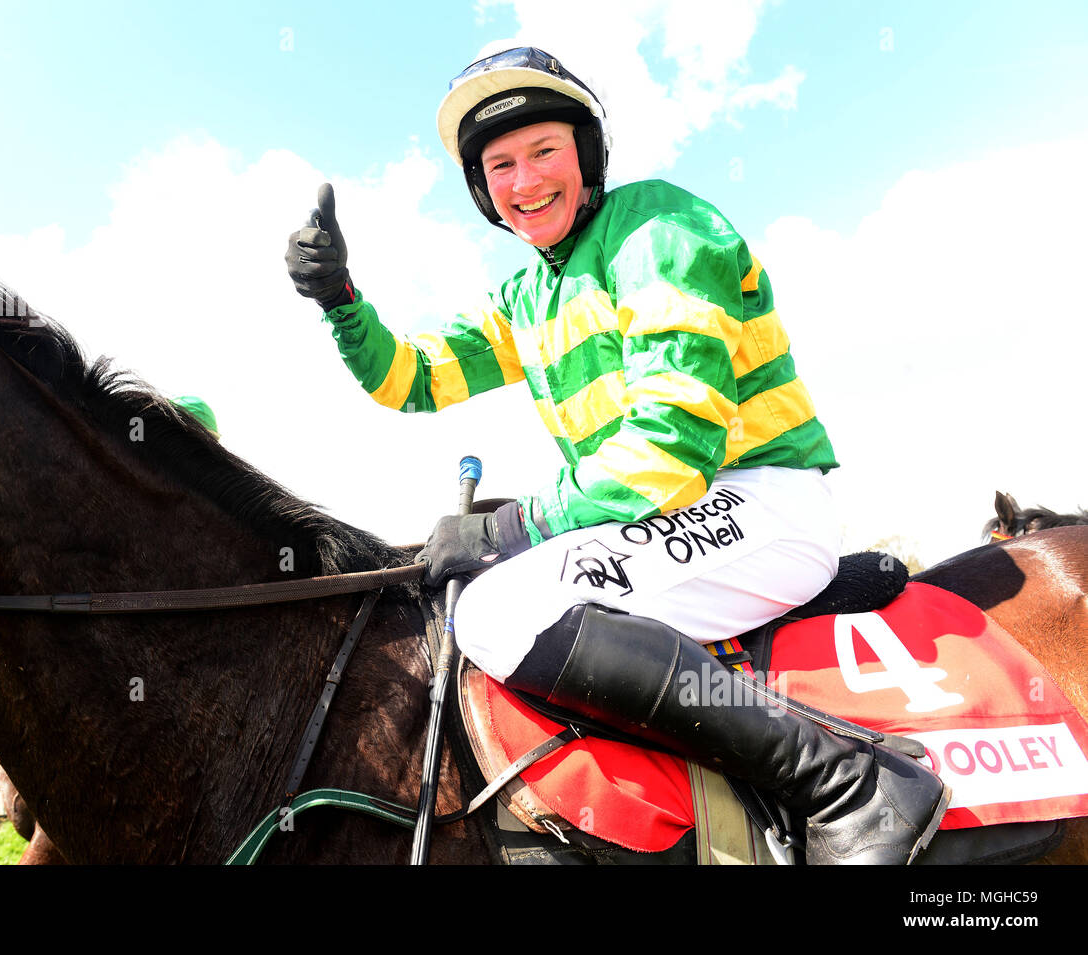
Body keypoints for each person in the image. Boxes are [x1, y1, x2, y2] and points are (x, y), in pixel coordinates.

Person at [285, 46, 948, 864]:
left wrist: (510, 527)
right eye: (500, 166)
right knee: (477, 593)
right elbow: (411, 377)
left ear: (586, 157)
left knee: (495, 610)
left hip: (757, 498)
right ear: (481, 188)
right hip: (672, 520)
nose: (524, 182)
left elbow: (673, 444)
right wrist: (340, 301)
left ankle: (852, 784)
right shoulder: (523, 297)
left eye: (544, 153)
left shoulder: (656, 226)